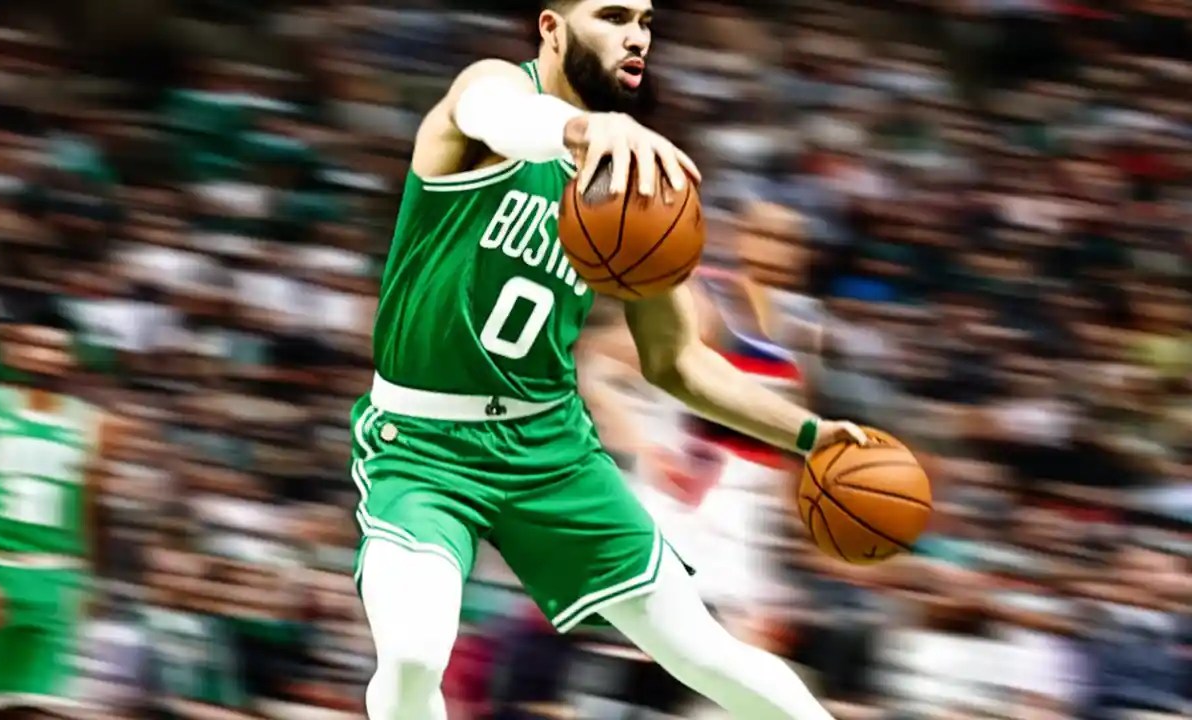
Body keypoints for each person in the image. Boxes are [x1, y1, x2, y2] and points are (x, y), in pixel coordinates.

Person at [351, 1, 870, 718]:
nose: (637, 34)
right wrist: (585, 129)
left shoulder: (634, 185)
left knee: (702, 650)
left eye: (647, 22)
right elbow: (494, 112)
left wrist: (808, 434)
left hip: (549, 445)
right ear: (552, 29)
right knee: (412, 653)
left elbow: (677, 362)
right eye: (614, 14)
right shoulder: (497, 88)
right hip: (425, 444)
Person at [0, 322, 117, 719]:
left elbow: (92, 510)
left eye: (54, 348)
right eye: (31, 345)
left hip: (57, 579)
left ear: (69, 359)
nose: (42, 356)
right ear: (9, 351)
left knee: (40, 709)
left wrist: (89, 580)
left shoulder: (97, 425)